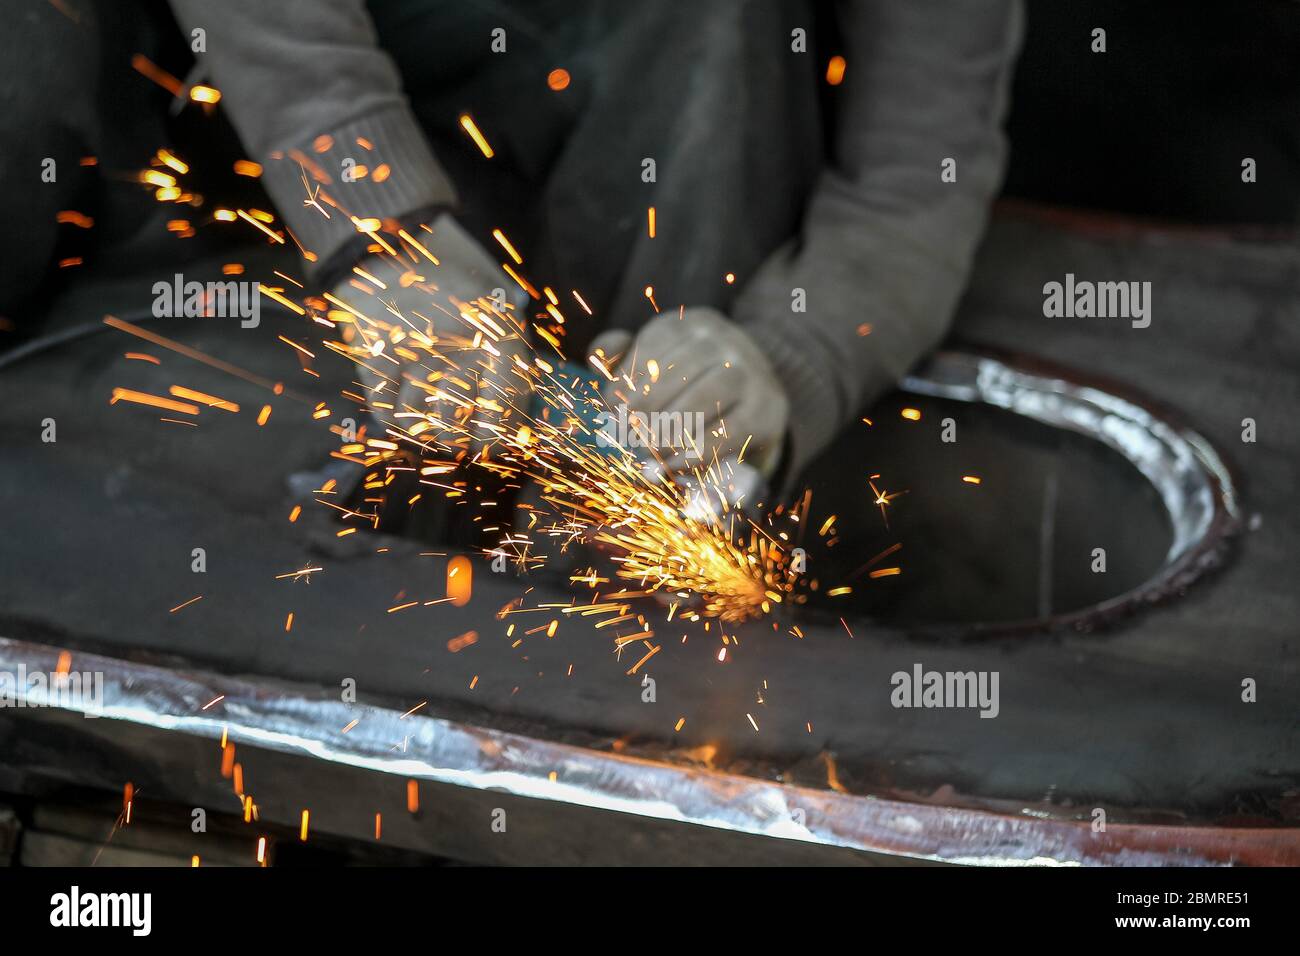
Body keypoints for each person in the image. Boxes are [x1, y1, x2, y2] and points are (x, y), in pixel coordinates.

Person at [10, 0, 1024, 489]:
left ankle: (603, 559)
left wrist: (780, 362)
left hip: (604, 147)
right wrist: (376, 210)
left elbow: (910, 184)